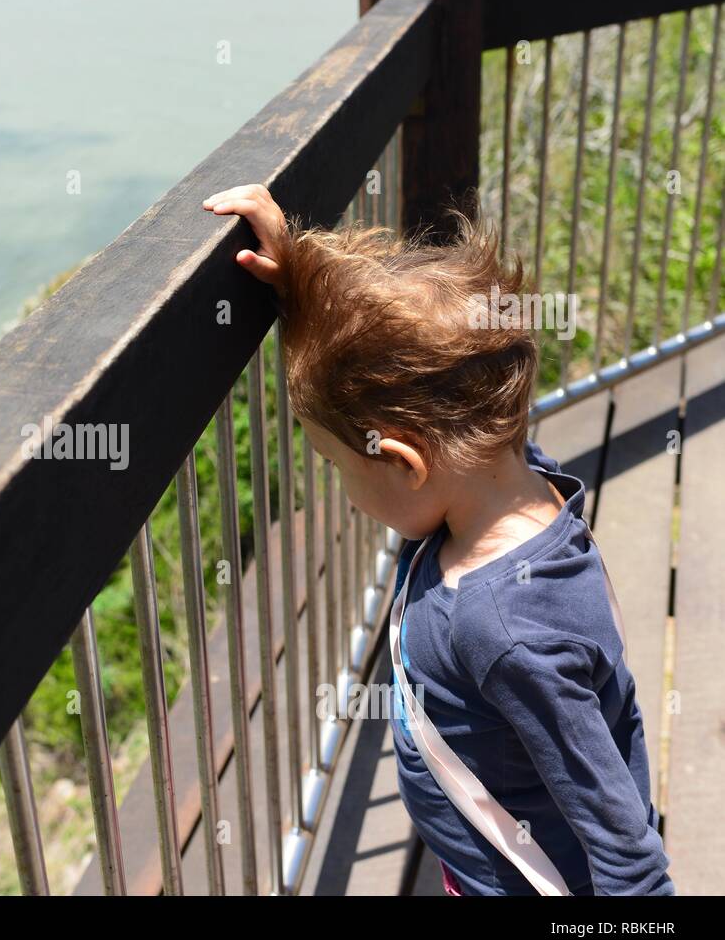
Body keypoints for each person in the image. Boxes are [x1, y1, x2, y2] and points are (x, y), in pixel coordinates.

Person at [202, 184, 673, 895]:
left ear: (405, 462)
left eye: (339, 466)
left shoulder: (505, 629)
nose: (343, 489)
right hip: (487, 851)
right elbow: (426, 363)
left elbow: (625, 849)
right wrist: (298, 278)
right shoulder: (517, 480)